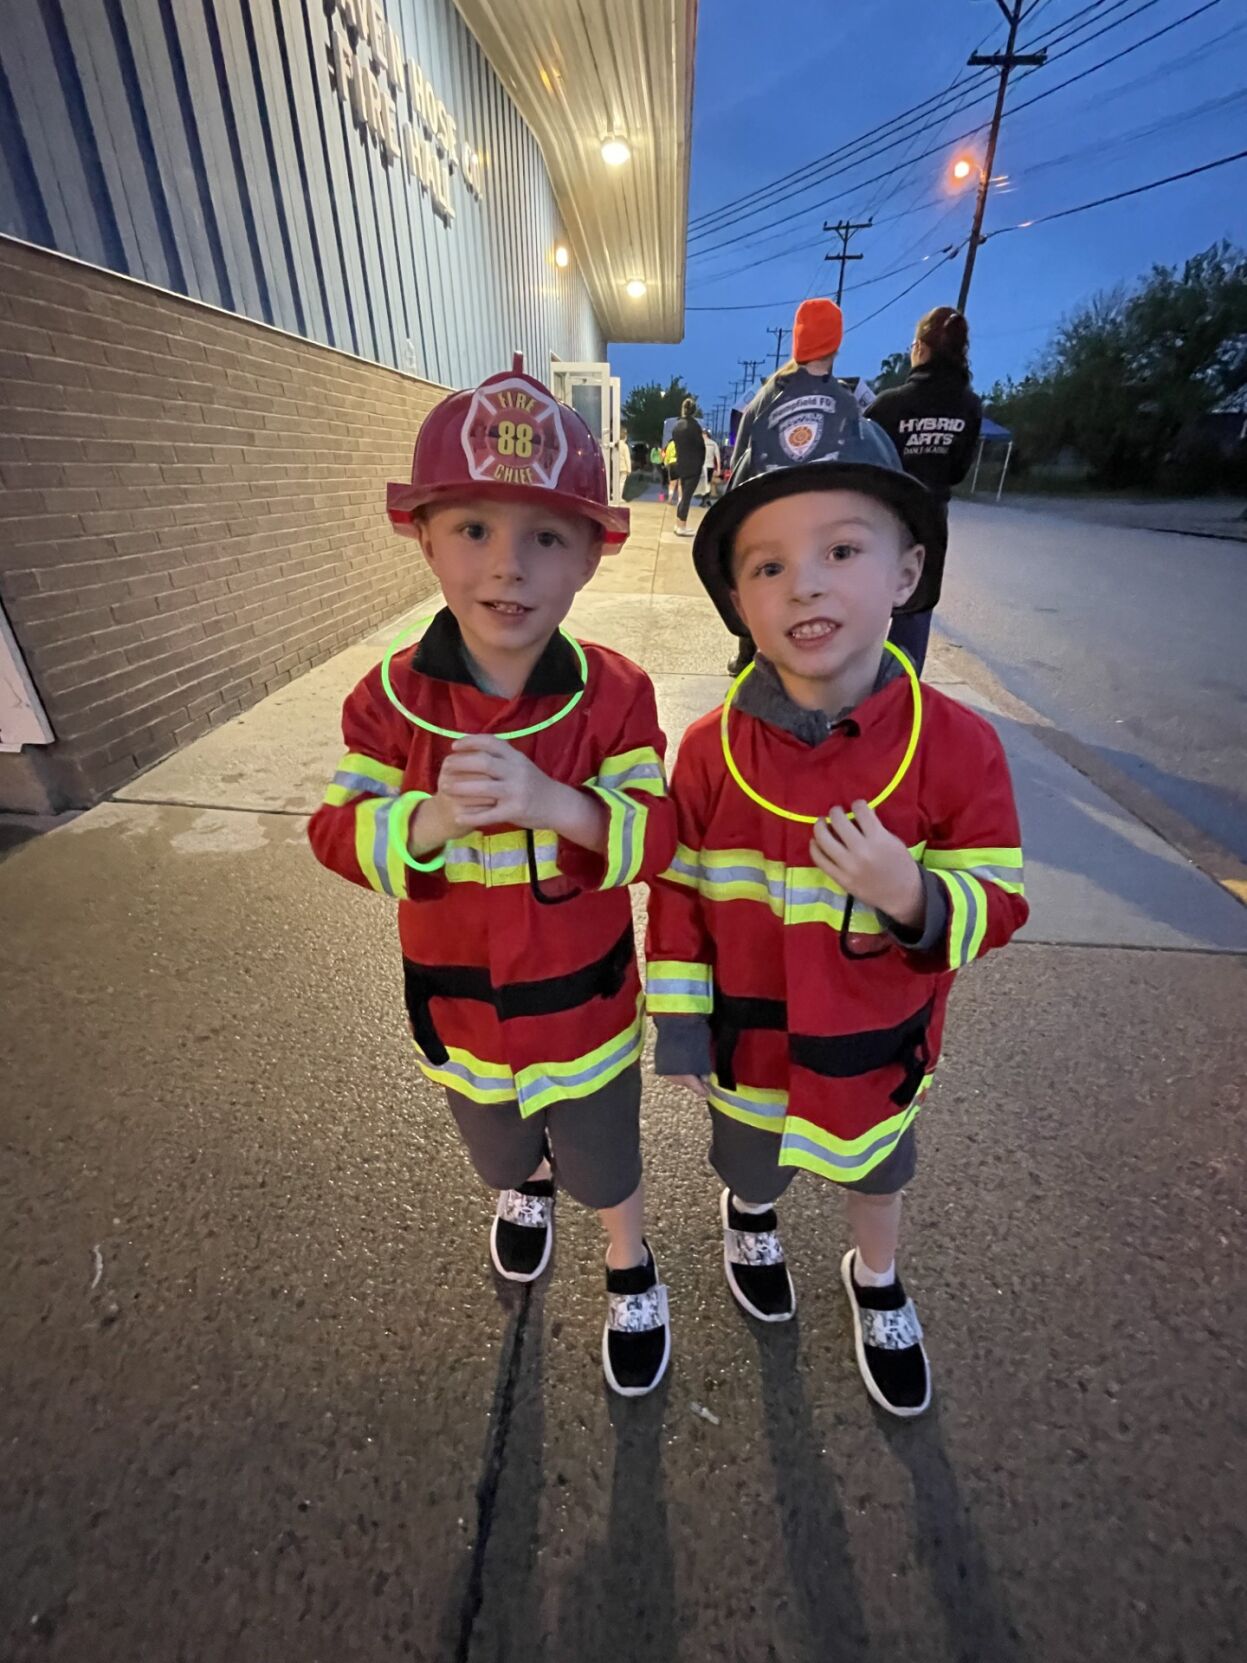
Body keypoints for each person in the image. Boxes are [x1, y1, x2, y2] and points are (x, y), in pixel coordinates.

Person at [646, 407, 1027, 1417]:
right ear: (735, 601)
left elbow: (997, 898)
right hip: (751, 1044)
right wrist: (680, 1023)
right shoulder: (705, 751)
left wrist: (911, 893)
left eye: (841, 549)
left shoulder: (955, 748)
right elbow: (679, 892)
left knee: (877, 1165)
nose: (803, 581)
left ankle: (875, 1275)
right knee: (751, 1155)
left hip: (876, 1040)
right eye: (764, 566)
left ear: (905, 573)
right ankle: (751, 1220)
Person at [309, 360, 677, 1397]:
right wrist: (423, 816)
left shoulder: (615, 694)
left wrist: (557, 804)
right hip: (460, 1015)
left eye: (544, 536)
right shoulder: (384, 700)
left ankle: (628, 1257)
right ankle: (525, 1193)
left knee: (605, 1161)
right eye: (472, 529)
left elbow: (656, 835)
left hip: (585, 1012)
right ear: (421, 538)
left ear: (590, 561)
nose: (506, 567)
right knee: (500, 1151)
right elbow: (333, 832)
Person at [724, 297, 867, 673]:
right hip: (826, 528)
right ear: (836, 345)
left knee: (763, 586)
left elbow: (740, 466)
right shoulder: (846, 403)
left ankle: (747, 656)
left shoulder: (766, 397)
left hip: (770, 523)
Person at [865, 306, 983, 674]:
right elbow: (959, 471)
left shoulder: (888, 405)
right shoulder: (970, 406)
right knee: (914, 611)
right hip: (931, 518)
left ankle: (855, 682)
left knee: (865, 604)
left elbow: (864, 464)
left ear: (920, 348)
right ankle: (901, 696)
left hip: (884, 517)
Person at [668, 397, 707, 537]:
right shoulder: (695, 426)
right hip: (694, 466)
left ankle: (678, 523)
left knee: (683, 495)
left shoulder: (677, 426)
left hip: (681, 464)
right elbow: (701, 447)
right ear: (694, 410)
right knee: (686, 497)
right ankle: (682, 526)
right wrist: (701, 462)